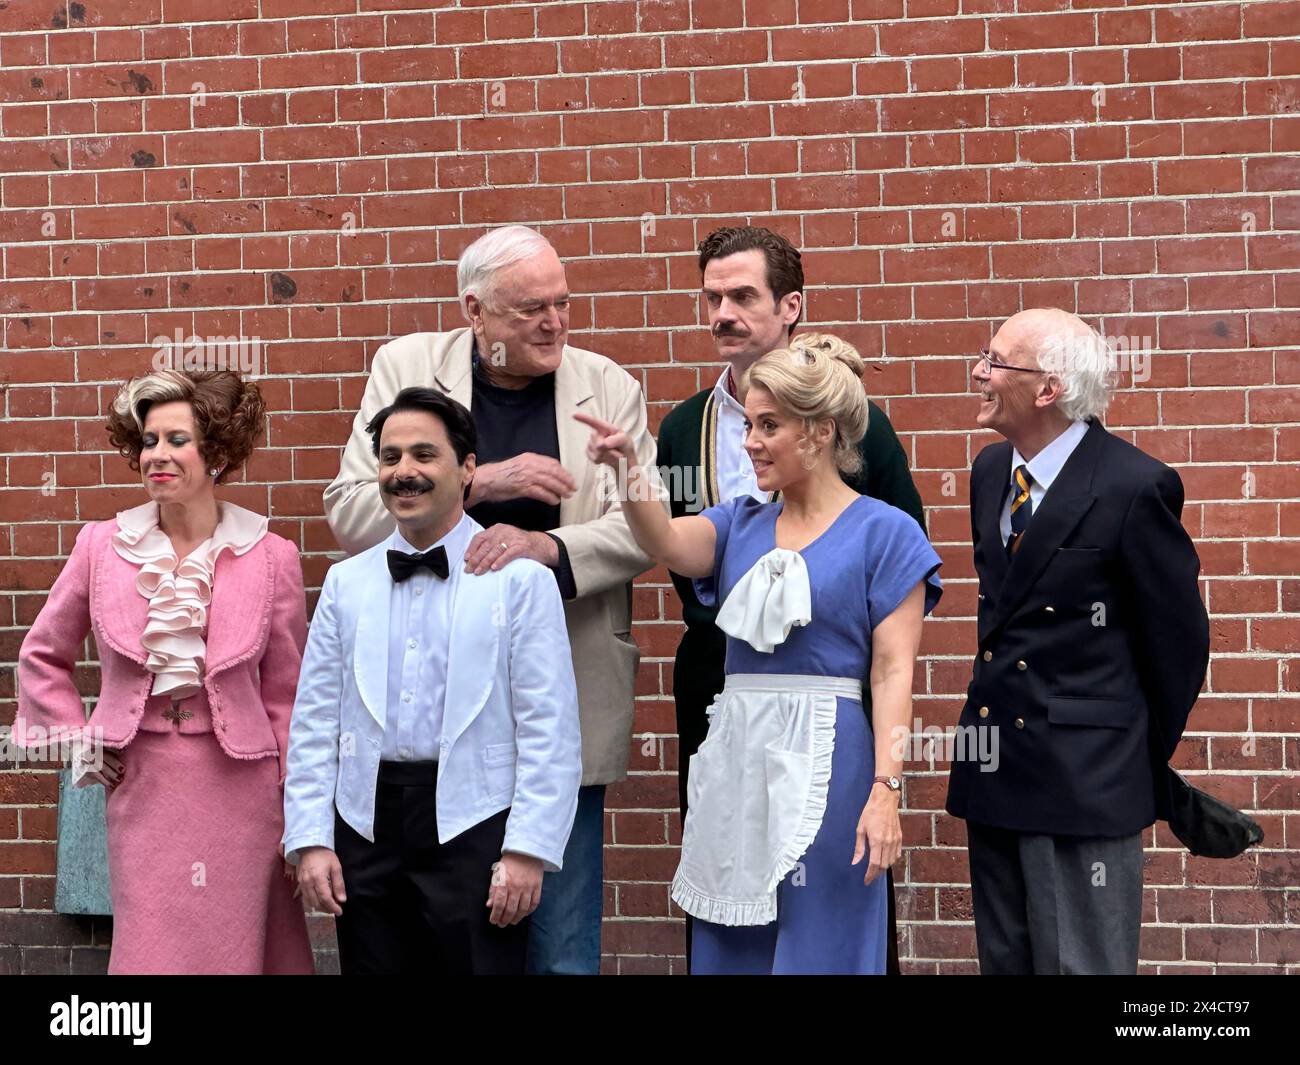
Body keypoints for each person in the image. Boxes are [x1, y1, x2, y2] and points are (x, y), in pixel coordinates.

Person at [322, 225, 654, 974]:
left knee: (561, 945)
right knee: (457, 941)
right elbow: (349, 509)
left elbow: (645, 525)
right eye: (531, 309)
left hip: (558, 689)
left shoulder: (608, 386)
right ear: (474, 311)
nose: (555, 323)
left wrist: (551, 548)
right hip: (433, 710)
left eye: (563, 304)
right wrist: (481, 480)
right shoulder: (405, 366)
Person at [579, 333, 942, 974]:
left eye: (768, 425)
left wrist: (887, 790)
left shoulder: (887, 532)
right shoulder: (736, 522)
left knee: (822, 934)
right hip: (737, 757)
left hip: (835, 760)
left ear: (821, 431)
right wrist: (628, 469)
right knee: (729, 931)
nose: (749, 442)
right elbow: (664, 537)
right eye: (749, 423)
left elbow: (892, 674)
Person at [654, 225, 926, 970]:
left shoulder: (864, 434)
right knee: (728, 887)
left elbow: (898, 579)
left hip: (832, 689)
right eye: (711, 296)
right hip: (721, 684)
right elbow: (674, 545)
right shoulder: (683, 426)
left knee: (830, 901)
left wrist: (885, 778)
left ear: (790, 306)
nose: (723, 312)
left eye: (742, 295)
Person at [14, 369, 313, 975]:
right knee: (153, 951)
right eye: (149, 440)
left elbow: (288, 697)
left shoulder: (272, 555)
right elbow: (42, 654)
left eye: (178, 439)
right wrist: (77, 742)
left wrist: (301, 812)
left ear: (218, 452)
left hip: (246, 794)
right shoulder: (101, 546)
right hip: (143, 786)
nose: (159, 455)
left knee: (238, 950)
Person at [947, 308, 1210, 974]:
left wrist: (1120, 751)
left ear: (1048, 389)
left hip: (1086, 786)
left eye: (997, 360)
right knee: (1007, 962)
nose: (980, 371)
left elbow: (1177, 648)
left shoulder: (1133, 485)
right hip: (994, 769)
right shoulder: (988, 473)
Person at [284, 387, 582, 975]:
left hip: (476, 821)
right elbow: (314, 720)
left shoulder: (520, 580)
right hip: (365, 822)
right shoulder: (345, 584)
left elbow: (551, 726)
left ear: (468, 468)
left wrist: (527, 850)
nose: (405, 472)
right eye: (391, 457)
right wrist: (312, 838)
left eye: (424, 455)